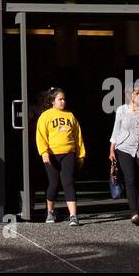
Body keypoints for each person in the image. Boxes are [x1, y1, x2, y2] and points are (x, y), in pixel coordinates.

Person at [35, 87, 85, 226]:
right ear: (52, 101)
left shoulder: (70, 116)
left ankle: (73, 215)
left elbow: (78, 136)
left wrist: (81, 154)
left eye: (64, 99)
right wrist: (44, 153)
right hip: (52, 155)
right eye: (60, 99)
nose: (63, 102)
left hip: (69, 153)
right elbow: (41, 136)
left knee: (68, 182)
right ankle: (50, 212)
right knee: (54, 184)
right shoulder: (46, 116)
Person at [108, 83, 139, 225]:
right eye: (137, 93)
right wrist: (111, 149)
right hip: (124, 148)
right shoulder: (121, 110)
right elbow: (116, 130)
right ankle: (134, 213)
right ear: (129, 95)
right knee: (130, 179)